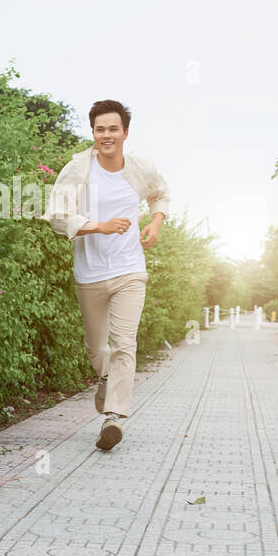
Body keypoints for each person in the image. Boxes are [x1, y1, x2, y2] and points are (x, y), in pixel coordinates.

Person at [46, 100, 170, 451]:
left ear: (125, 133)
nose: (106, 135)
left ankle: (113, 418)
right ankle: (104, 379)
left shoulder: (140, 168)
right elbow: (57, 216)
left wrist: (156, 222)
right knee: (95, 346)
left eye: (113, 129)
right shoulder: (77, 170)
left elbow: (160, 194)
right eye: (100, 129)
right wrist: (98, 226)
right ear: (93, 133)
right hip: (90, 274)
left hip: (130, 270)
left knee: (124, 344)